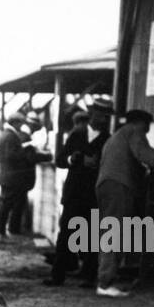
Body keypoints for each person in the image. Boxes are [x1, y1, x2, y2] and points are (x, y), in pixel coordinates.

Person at [93, 108, 154, 298]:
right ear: (139, 123)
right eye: (147, 124)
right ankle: (105, 282)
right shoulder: (134, 132)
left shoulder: (117, 135)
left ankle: (105, 278)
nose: (148, 129)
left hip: (107, 185)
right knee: (114, 232)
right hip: (119, 186)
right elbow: (144, 154)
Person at [46, 100, 112, 287]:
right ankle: (57, 276)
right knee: (66, 233)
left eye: (107, 116)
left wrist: (97, 164)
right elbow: (60, 160)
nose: (103, 119)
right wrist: (72, 159)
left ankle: (88, 277)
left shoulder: (108, 139)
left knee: (91, 236)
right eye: (100, 115)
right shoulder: (77, 134)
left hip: (94, 194)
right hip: (74, 193)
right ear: (92, 114)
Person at [0, 115, 52, 238]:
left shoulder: (6, 134)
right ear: (14, 122)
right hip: (12, 177)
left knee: (9, 204)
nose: (21, 125)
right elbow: (11, 155)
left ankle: (6, 231)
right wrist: (24, 149)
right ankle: (1, 232)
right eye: (20, 123)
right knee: (8, 205)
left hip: (9, 176)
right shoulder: (11, 136)